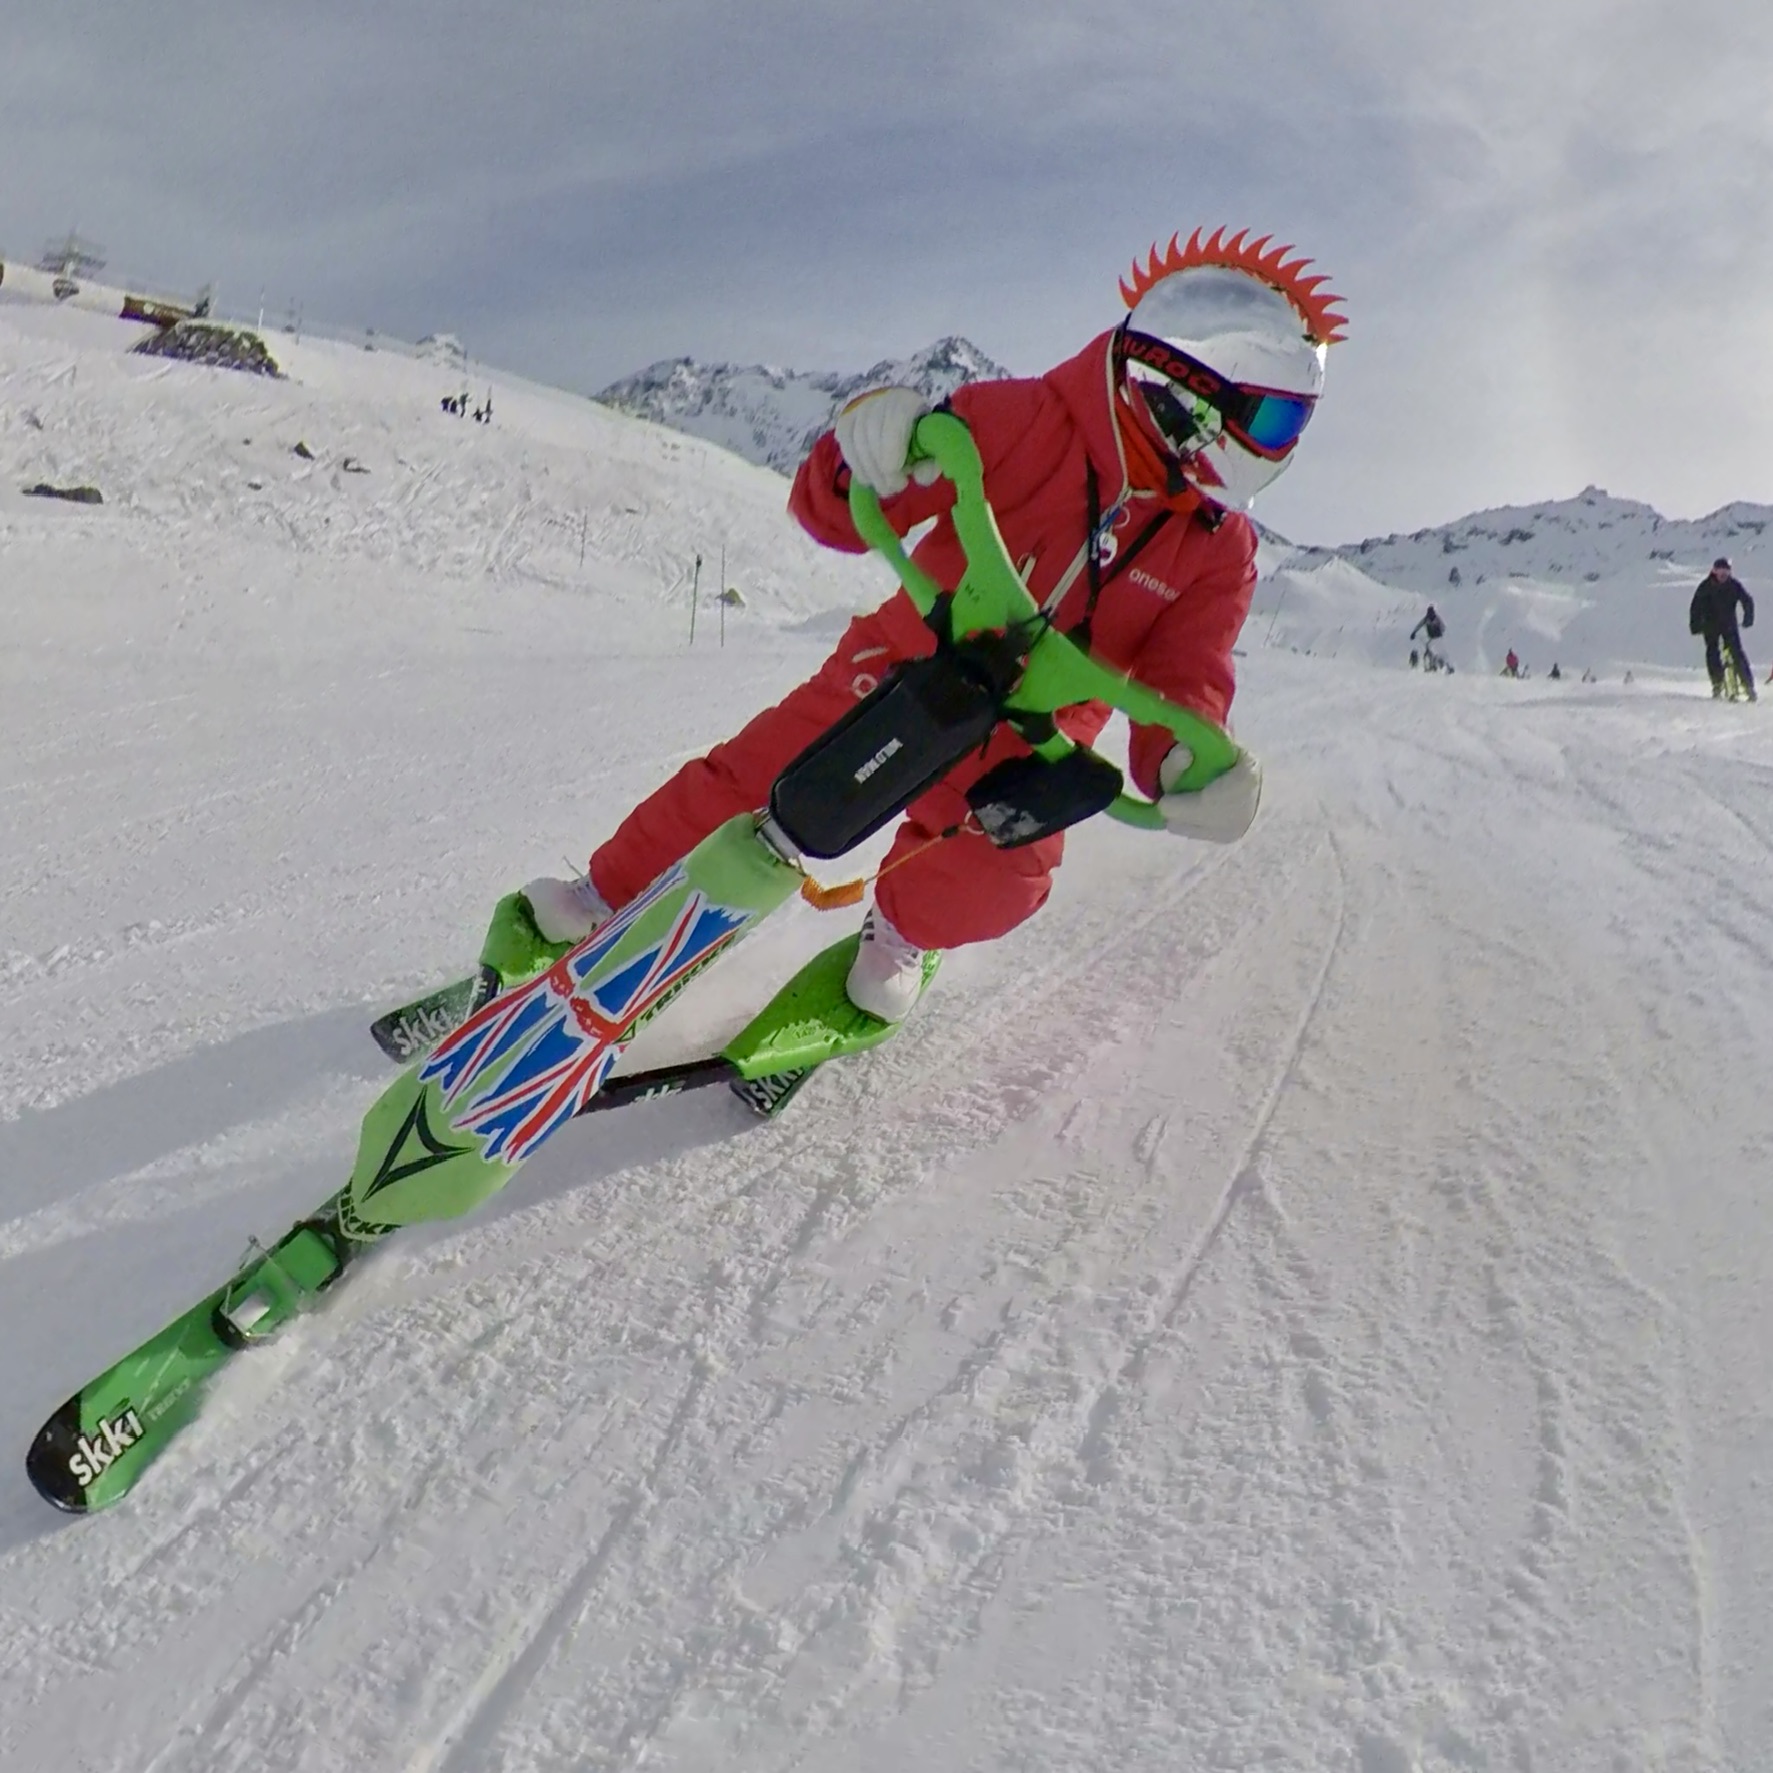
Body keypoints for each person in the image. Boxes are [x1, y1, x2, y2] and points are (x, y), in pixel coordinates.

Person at [524, 227, 1346, 1022]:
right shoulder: (1021, 422)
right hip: (903, 665)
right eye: (1274, 423)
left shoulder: (1216, 545)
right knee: (762, 776)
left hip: (1037, 734)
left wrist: (1187, 763)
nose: (1280, 451)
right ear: (1196, 391)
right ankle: (608, 898)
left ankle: (903, 929)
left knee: (1001, 873)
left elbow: (1186, 672)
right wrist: (867, 450)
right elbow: (840, 514)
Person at [1689, 557, 1756, 700]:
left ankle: (1748, 685)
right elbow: (1695, 607)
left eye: (1726, 572)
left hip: (1729, 625)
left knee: (1736, 653)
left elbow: (1747, 600)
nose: (1723, 575)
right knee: (1713, 652)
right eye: (1720, 571)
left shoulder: (1733, 585)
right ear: (1714, 571)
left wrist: (1748, 618)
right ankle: (1717, 683)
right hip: (1710, 625)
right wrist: (1695, 625)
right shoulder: (1706, 586)